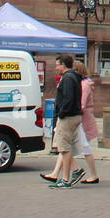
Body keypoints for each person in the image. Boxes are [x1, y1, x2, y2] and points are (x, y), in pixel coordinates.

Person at [49, 55, 84, 188]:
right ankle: (75, 171)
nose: (56, 67)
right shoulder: (74, 76)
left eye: (57, 65)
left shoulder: (68, 78)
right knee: (64, 146)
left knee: (64, 148)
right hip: (73, 115)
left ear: (63, 65)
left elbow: (68, 98)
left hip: (68, 116)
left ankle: (66, 179)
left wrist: (62, 113)